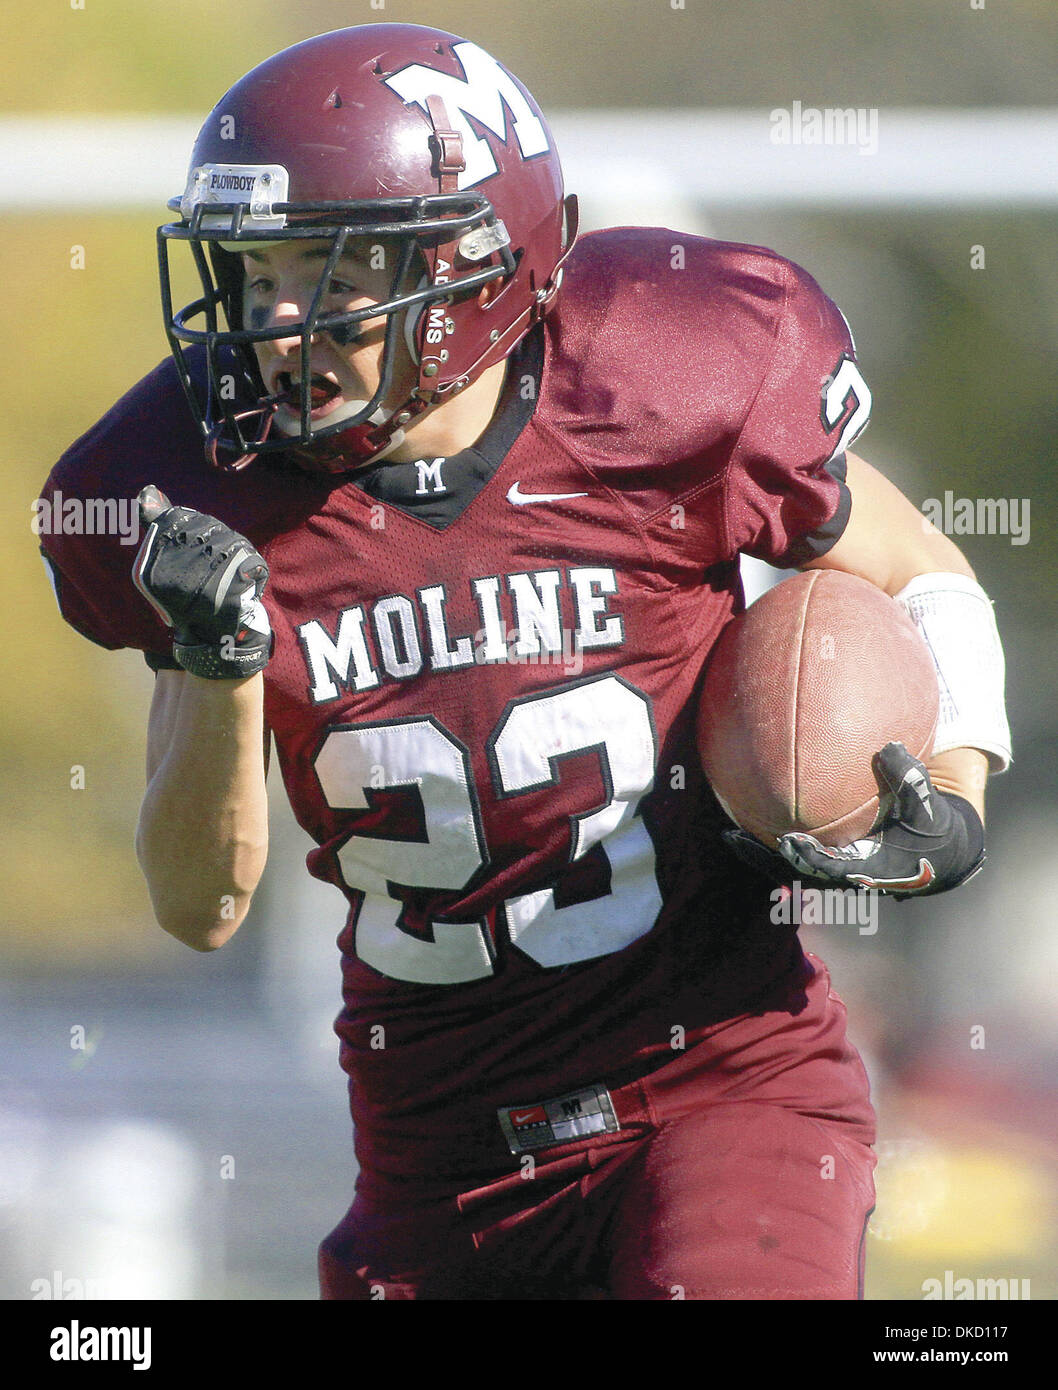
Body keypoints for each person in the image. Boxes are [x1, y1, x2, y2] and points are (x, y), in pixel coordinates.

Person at [38, 23, 1010, 1300]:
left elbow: (917, 564)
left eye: (324, 275)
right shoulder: (194, 490)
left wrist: (952, 786)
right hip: (441, 1152)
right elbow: (198, 906)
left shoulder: (659, 376)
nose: (274, 323)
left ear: (467, 269)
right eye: (254, 272)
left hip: (719, 1090)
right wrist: (220, 663)